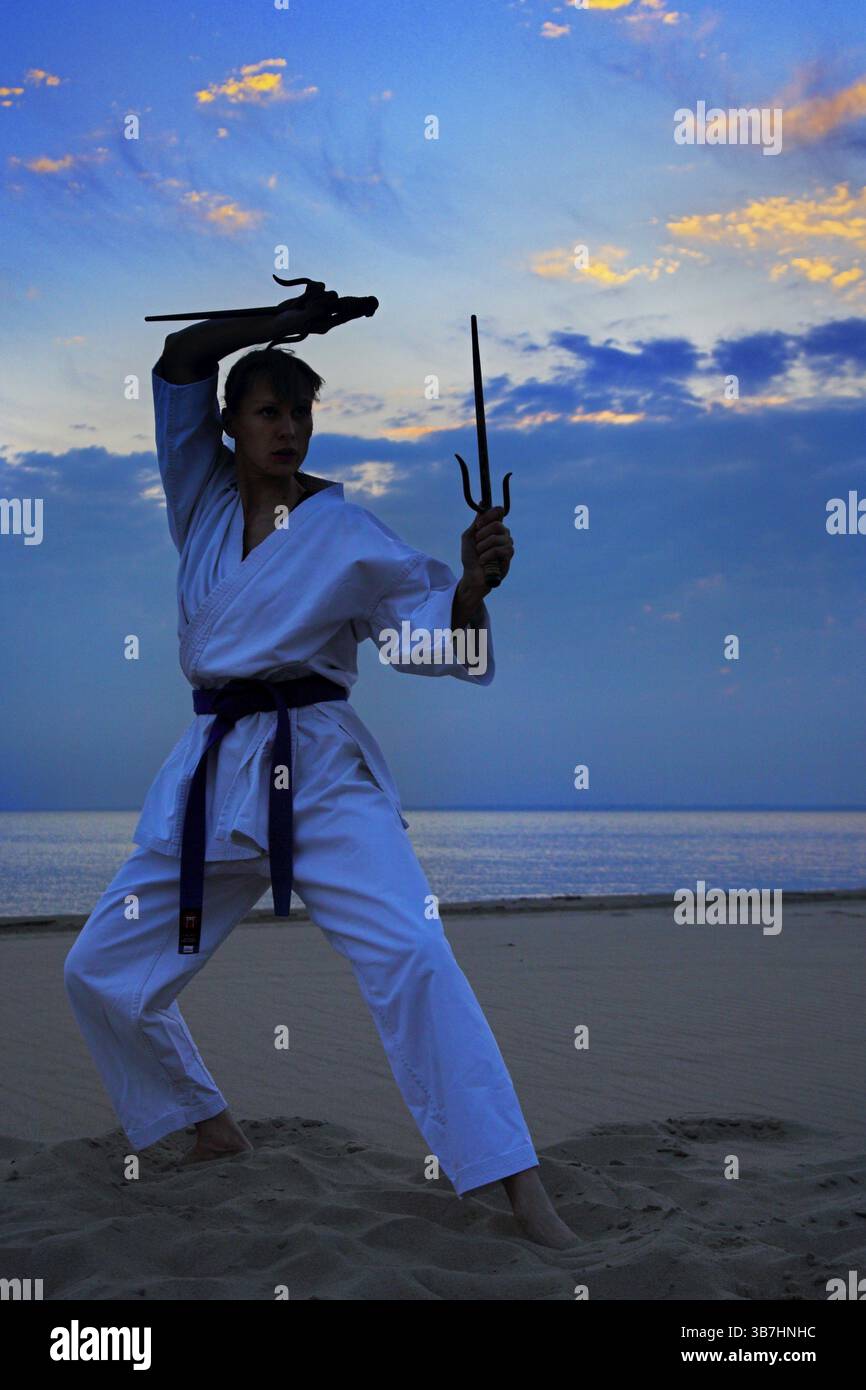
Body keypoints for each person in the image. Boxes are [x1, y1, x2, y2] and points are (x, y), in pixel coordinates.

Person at [64, 291, 576, 1249]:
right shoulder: (202, 502)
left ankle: (514, 1184)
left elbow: (437, 645)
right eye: (267, 410)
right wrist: (285, 322)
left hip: (322, 769)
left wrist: (468, 588)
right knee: (98, 968)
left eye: (300, 413)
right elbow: (180, 352)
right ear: (230, 424)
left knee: (415, 955)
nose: (288, 428)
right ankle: (206, 1127)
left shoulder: (345, 531)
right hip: (215, 774)